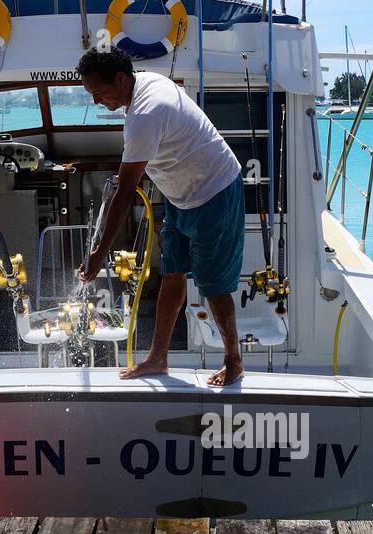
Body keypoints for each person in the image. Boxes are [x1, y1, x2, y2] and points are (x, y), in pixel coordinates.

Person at [76, 47, 247, 386]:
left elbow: (125, 192)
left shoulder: (145, 115)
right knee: (171, 274)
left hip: (215, 191)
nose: (97, 102)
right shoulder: (145, 83)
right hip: (181, 197)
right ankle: (158, 358)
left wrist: (98, 255)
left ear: (122, 79)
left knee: (213, 285)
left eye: (99, 93)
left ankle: (233, 359)